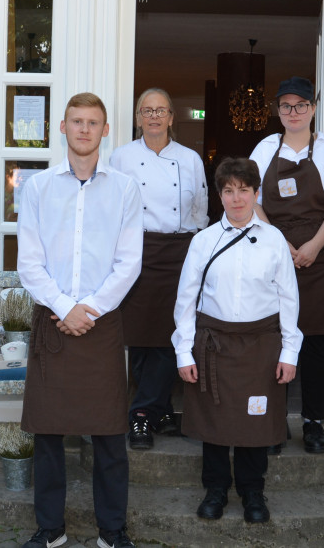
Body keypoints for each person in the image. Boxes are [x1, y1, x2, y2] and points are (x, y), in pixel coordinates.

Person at [17, 93, 143, 548]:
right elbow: (28, 262)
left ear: (105, 131)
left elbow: (129, 262)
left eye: (93, 122)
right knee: (48, 435)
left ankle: (112, 531)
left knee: (109, 436)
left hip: (102, 323)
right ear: (62, 128)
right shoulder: (38, 188)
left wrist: (88, 308)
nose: (85, 130)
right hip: (52, 320)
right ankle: (50, 529)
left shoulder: (126, 188)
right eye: (76, 121)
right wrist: (63, 306)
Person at [172, 157, 302, 524]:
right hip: (213, 346)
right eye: (229, 191)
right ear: (219, 195)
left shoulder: (275, 240)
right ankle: (215, 489)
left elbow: (289, 299)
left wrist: (290, 351)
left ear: (256, 193)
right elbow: (186, 300)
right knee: (213, 422)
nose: (237, 198)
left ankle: (252, 491)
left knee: (255, 423)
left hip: (261, 346)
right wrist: (184, 351)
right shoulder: (203, 242)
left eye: (244, 190)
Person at [248, 76, 324, 454]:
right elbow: (252, 200)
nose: (294, 112)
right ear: (278, 110)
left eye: (301, 105)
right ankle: (273, 422)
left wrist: (313, 245)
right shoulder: (263, 149)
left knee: (318, 343)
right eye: (286, 106)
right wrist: (282, 242)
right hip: (276, 256)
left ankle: (312, 422)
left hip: (321, 258)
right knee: (274, 340)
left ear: (313, 108)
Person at [110, 88, 208, 450]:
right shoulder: (120, 158)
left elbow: (200, 209)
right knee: (140, 336)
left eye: (160, 110)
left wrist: (196, 252)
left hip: (178, 251)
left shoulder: (190, 159)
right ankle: (157, 410)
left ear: (171, 118)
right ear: (138, 119)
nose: (153, 116)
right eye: (146, 111)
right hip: (136, 249)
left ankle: (140, 413)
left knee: (171, 334)